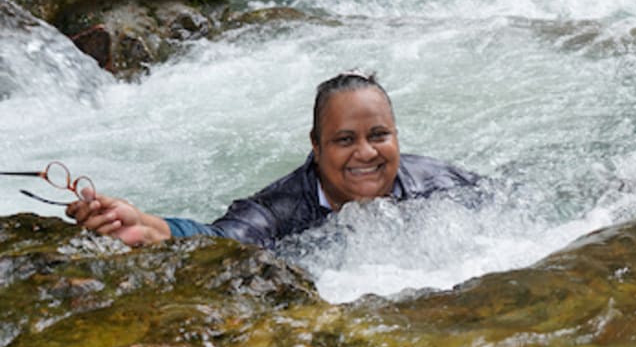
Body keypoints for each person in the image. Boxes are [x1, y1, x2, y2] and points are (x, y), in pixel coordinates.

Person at [67, 71, 484, 248]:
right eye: (344, 140)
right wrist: (148, 227)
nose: (366, 153)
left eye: (379, 136)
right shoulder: (278, 210)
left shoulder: (438, 183)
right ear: (316, 147)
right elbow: (223, 240)